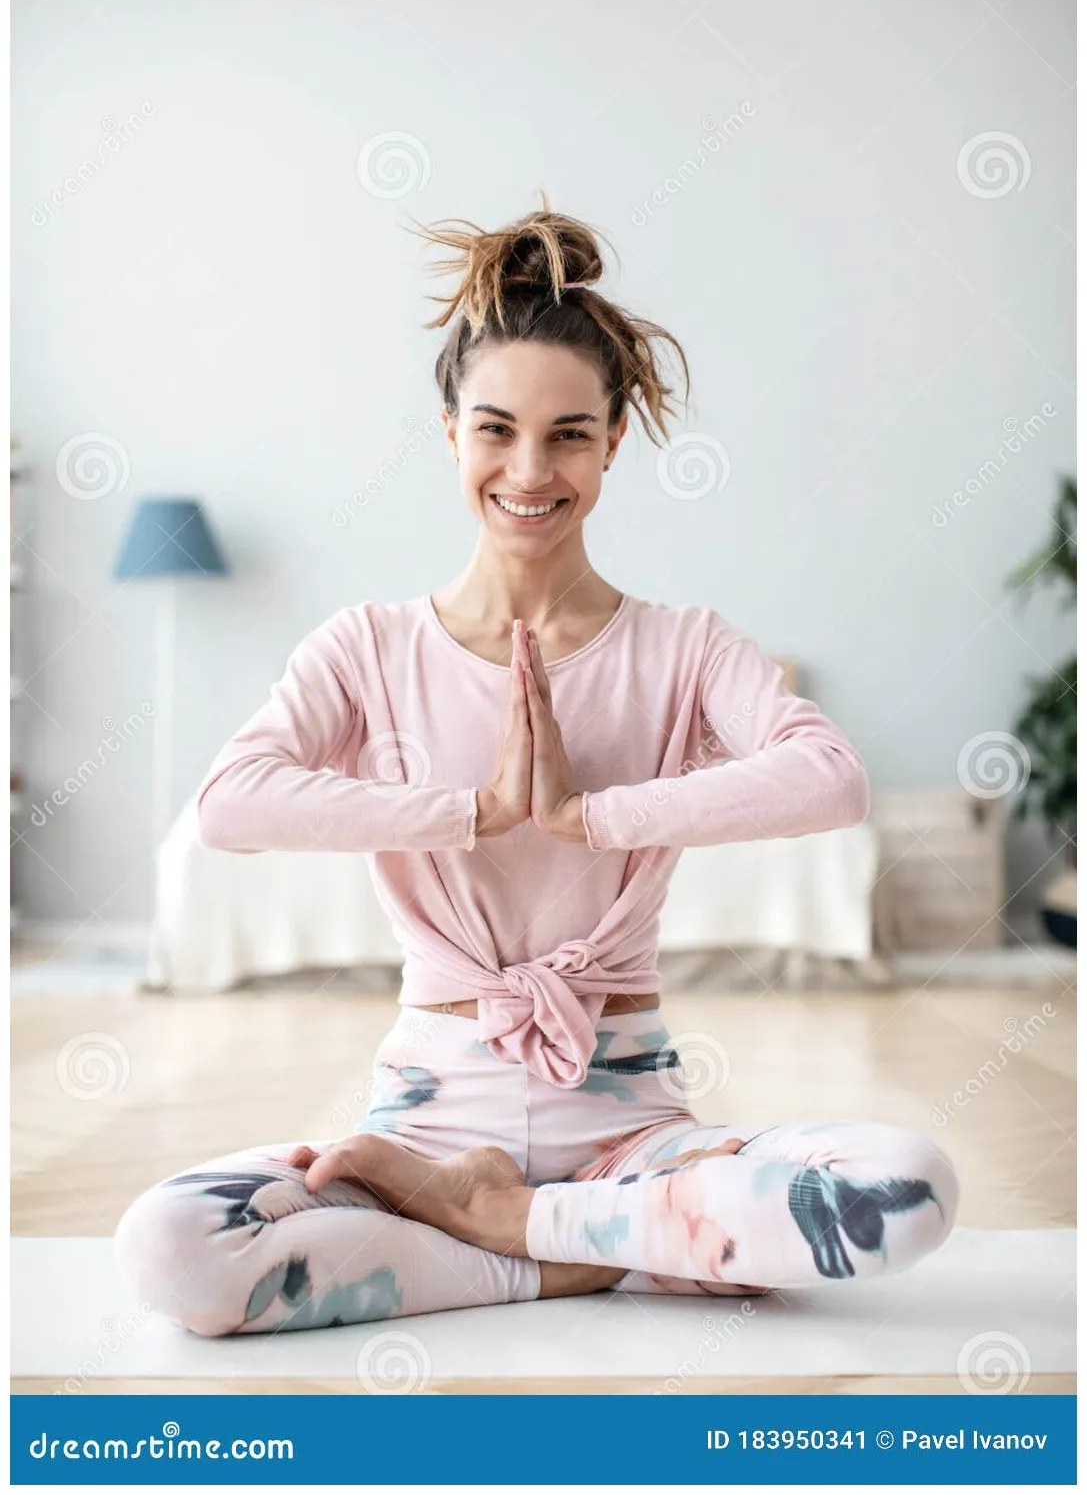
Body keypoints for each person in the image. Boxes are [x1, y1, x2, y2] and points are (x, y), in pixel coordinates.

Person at [113, 197, 959, 1337]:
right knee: (171, 1248)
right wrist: (477, 809)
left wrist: (587, 813)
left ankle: (508, 1233)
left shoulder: (686, 645)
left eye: (569, 432)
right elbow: (228, 805)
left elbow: (829, 777)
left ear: (614, 441)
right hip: (421, 1129)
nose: (530, 467)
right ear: (450, 434)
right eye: (496, 428)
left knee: (904, 1189)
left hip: (631, 1135)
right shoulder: (367, 645)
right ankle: (596, 1252)